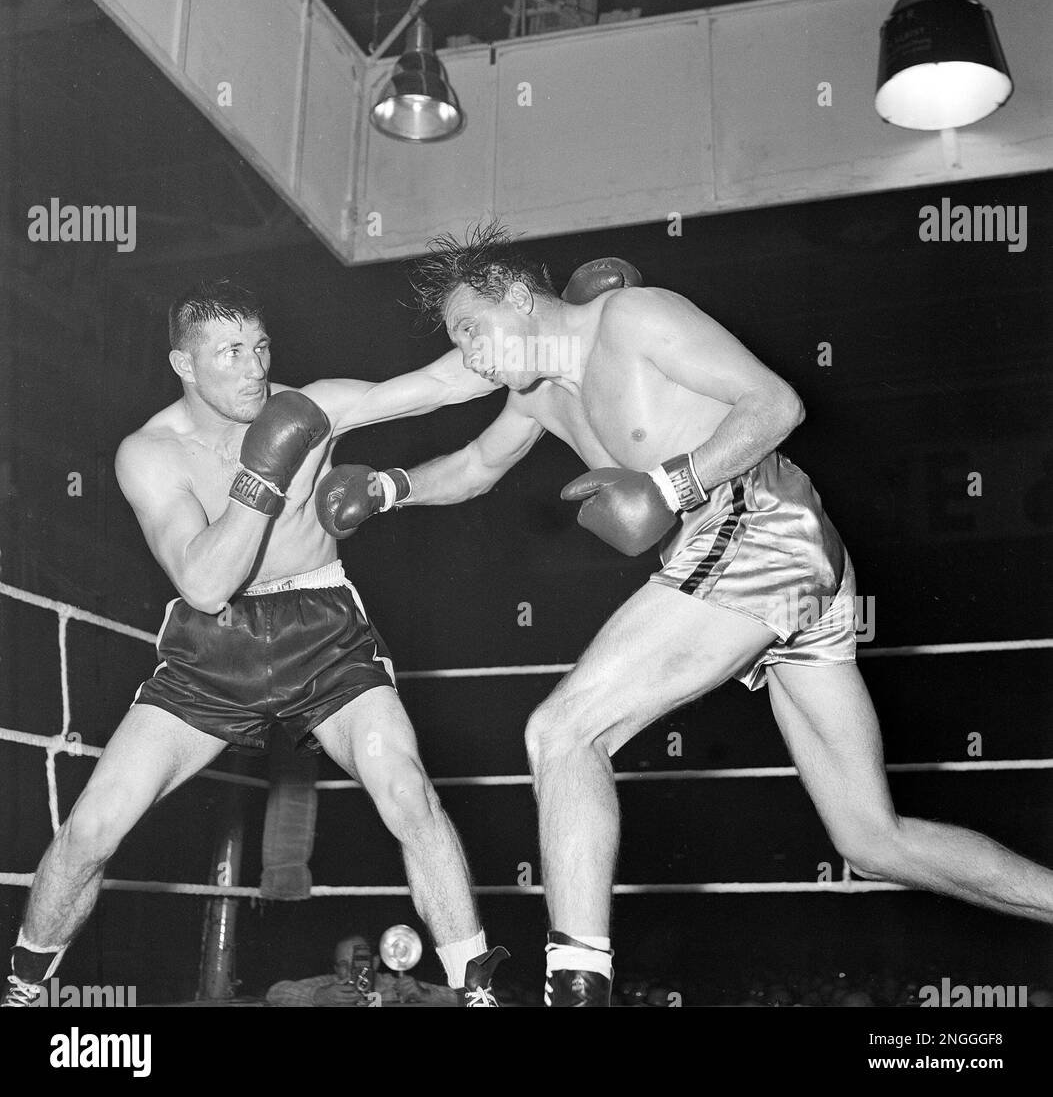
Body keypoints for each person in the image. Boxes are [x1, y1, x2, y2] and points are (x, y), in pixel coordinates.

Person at [322, 222, 1053, 1007]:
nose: (469, 355)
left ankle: (575, 992)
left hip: (760, 523)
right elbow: (473, 467)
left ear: (512, 294)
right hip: (769, 569)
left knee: (564, 730)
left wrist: (671, 487)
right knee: (872, 841)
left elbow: (775, 403)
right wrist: (389, 488)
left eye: (470, 328)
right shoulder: (535, 399)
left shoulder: (632, 319)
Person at [3, 278, 516, 1008]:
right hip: (213, 646)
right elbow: (205, 583)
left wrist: (552, 340)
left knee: (407, 791)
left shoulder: (310, 405)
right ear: (184, 364)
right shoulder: (150, 454)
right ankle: (24, 989)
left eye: (261, 346)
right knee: (90, 828)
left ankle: (475, 992)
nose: (255, 367)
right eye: (231, 352)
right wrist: (262, 477)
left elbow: (439, 384)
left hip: (323, 630)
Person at [265, 932, 457, 1008]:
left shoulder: (394, 985)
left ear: (374, 963)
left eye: (359, 962)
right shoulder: (330, 986)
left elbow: (464, 998)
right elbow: (276, 992)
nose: (351, 970)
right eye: (343, 964)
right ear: (335, 968)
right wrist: (317, 996)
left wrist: (427, 995)